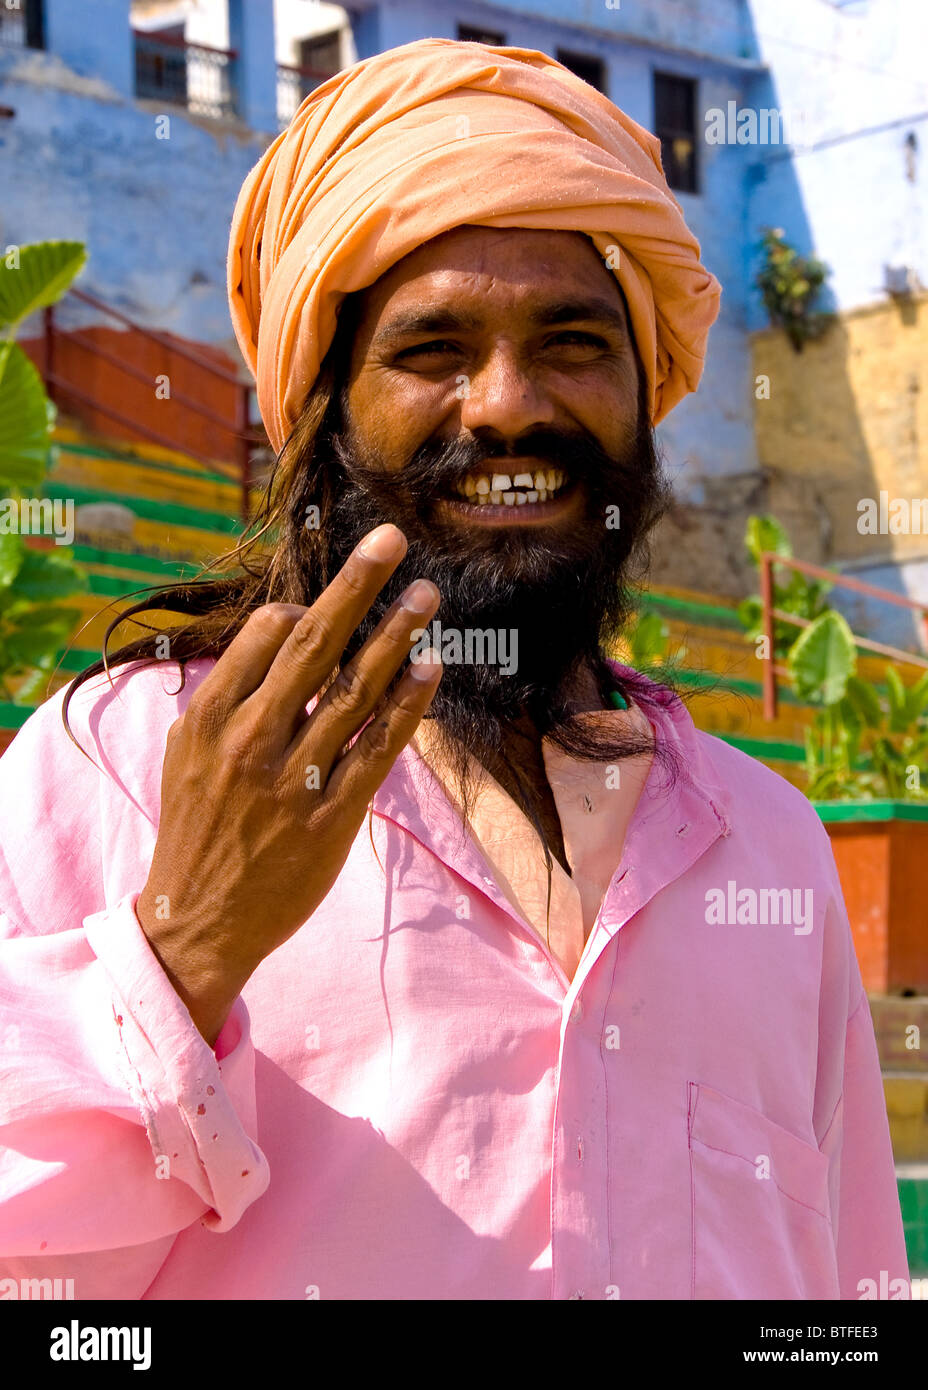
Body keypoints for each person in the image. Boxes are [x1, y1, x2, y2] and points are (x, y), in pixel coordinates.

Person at [0, 38, 908, 1300]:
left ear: (646, 396)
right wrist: (186, 946)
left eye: (574, 341)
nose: (506, 404)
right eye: (432, 349)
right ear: (325, 409)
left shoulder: (771, 844)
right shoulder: (128, 766)